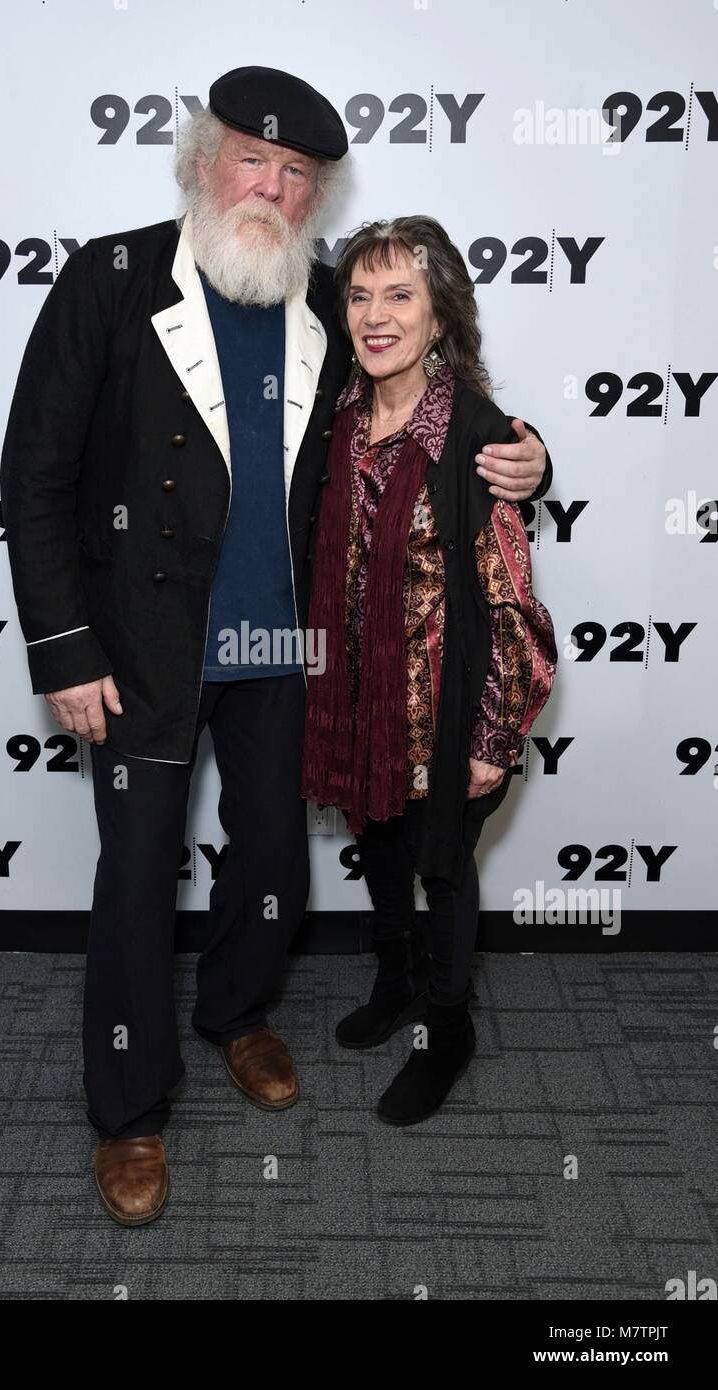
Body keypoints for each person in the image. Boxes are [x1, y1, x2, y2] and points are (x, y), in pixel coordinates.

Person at [0, 68, 553, 1227]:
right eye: (252, 159)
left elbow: (429, 389)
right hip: (142, 644)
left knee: (269, 864)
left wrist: (526, 451)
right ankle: (129, 1105)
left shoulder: (324, 297)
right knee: (138, 875)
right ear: (204, 163)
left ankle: (236, 1013)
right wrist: (62, 647)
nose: (273, 186)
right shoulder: (107, 277)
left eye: (298, 174)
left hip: (286, 640)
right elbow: (35, 478)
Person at [301, 216, 558, 1126]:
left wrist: (491, 732)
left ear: (440, 314)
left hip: (447, 712)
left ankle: (447, 1031)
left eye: (398, 295)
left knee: (441, 870)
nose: (374, 316)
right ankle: (396, 981)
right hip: (359, 704)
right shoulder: (332, 412)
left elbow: (509, 599)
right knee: (378, 850)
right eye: (359, 296)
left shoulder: (479, 438)